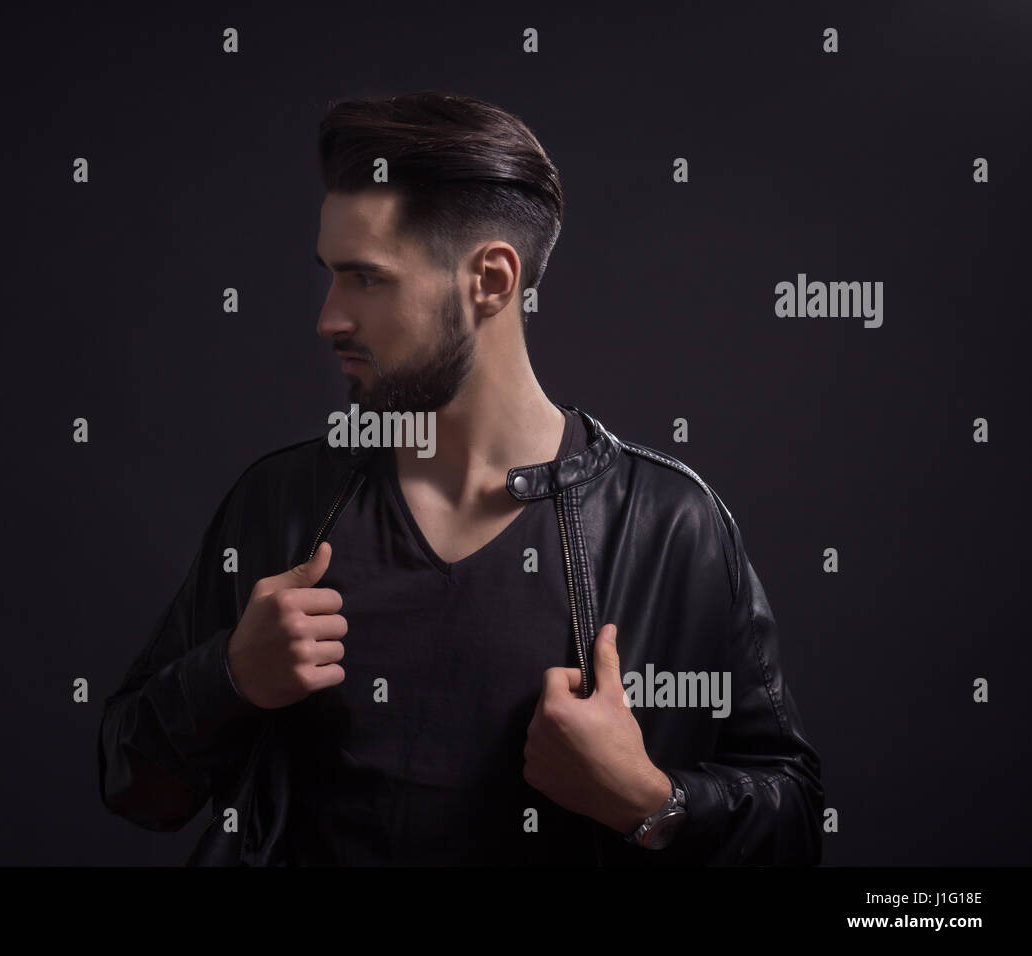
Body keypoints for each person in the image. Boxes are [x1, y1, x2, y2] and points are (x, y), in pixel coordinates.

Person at [98, 90, 824, 866]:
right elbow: (135, 785)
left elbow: (794, 821)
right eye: (330, 276)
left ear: (490, 280)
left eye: (366, 278)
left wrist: (649, 801)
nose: (328, 318)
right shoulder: (281, 504)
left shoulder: (670, 524)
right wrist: (231, 677)